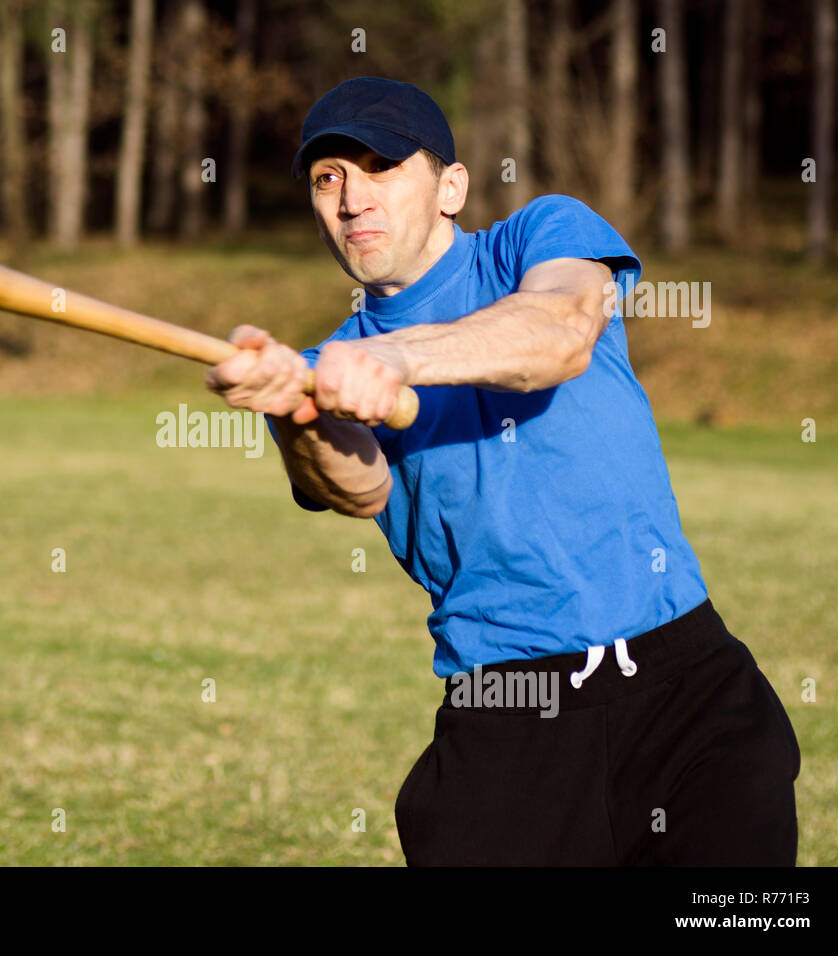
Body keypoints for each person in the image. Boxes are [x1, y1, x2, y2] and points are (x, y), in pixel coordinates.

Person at [206, 76, 800, 866]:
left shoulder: (543, 236)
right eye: (327, 178)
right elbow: (357, 490)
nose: (351, 199)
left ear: (451, 186)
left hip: (684, 683)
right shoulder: (327, 371)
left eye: (379, 166)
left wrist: (396, 357)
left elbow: (558, 333)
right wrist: (297, 414)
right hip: (509, 709)